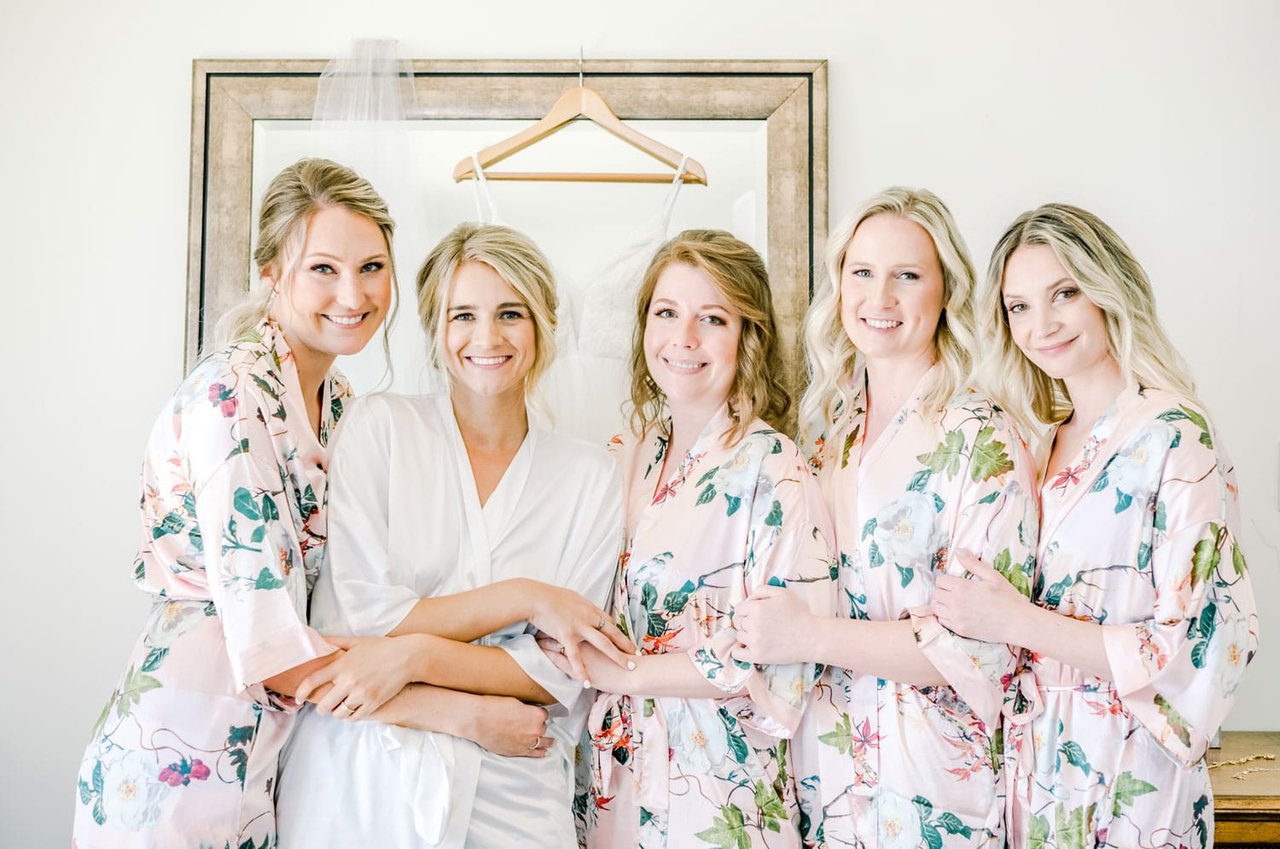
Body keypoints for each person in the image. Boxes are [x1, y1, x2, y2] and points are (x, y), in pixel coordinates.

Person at [73, 158, 402, 847]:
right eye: (323, 268)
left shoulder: (337, 404)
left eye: (372, 266)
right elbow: (274, 644)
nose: (354, 292)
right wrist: (467, 710)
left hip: (265, 761)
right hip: (177, 761)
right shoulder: (232, 397)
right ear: (271, 273)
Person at [275, 222, 634, 849]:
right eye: (462, 314)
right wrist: (525, 599)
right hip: (364, 773)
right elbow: (359, 628)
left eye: (510, 313)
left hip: (516, 783)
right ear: (436, 329)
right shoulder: (379, 428)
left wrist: (414, 657)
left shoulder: (590, 477)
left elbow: (564, 668)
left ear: (544, 322)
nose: (486, 338)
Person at [931, 203, 1258, 849]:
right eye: (1018, 306)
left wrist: (1016, 621)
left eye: (1065, 293)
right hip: (1034, 772)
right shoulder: (1040, 444)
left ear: (1108, 289)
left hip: (1132, 771)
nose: (1041, 324)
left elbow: (1200, 644)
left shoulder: (1174, 433)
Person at [734, 188, 1038, 848]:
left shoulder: (982, 436)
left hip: (932, 784)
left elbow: (978, 644)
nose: (881, 298)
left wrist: (809, 635)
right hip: (826, 773)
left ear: (945, 290)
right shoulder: (822, 437)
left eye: (907, 275)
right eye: (863, 272)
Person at [556, 230, 837, 849]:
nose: (683, 338)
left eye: (712, 318)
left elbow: (783, 664)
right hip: (612, 785)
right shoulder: (628, 456)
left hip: (715, 794)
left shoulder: (778, 471)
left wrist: (629, 675)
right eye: (666, 313)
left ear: (749, 339)